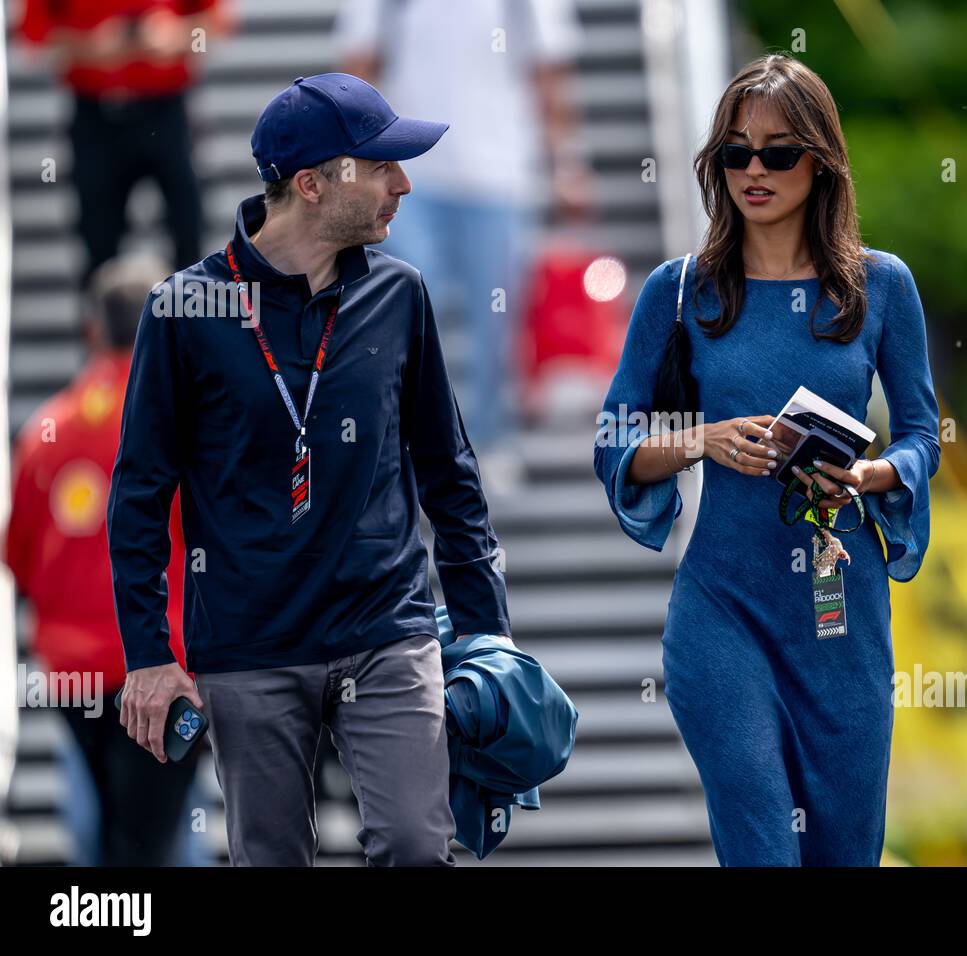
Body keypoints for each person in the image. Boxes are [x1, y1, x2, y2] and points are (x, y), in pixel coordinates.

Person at [107, 73, 512, 866]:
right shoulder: (183, 310)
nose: (403, 184)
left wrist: (489, 634)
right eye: (384, 165)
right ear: (313, 184)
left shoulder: (400, 294)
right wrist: (149, 654)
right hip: (250, 644)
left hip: (387, 631)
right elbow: (138, 496)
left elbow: (450, 475)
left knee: (417, 848)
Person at [593, 54, 941, 866]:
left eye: (779, 152)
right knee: (761, 850)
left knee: (842, 851)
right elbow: (615, 441)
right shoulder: (680, 292)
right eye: (735, 153)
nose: (755, 170)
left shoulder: (881, 287)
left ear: (820, 162)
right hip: (723, 610)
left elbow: (923, 434)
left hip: (839, 611)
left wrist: (869, 475)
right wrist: (700, 441)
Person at [334, 0, 592, 490]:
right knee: (402, 310)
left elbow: (549, 70)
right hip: (409, 175)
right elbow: (358, 67)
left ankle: (490, 441)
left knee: (494, 322)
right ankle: (407, 442)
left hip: (499, 174)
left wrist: (568, 162)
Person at [3, 255, 198, 866]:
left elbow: (18, 555)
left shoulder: (46, 429)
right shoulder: (190, 425)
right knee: (145, 843)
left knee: (116, 835)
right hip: (167, 666)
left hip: (72, 674)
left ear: (92, 330)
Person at [16, 0, 233, 289]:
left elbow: (216, 26)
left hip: (166, 110)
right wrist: (89, 46)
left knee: (189, 230)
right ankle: (104, 327)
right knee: (97, 240)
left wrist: (174, 36)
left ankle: (186, 328)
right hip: (95, 115)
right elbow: (33, 37)